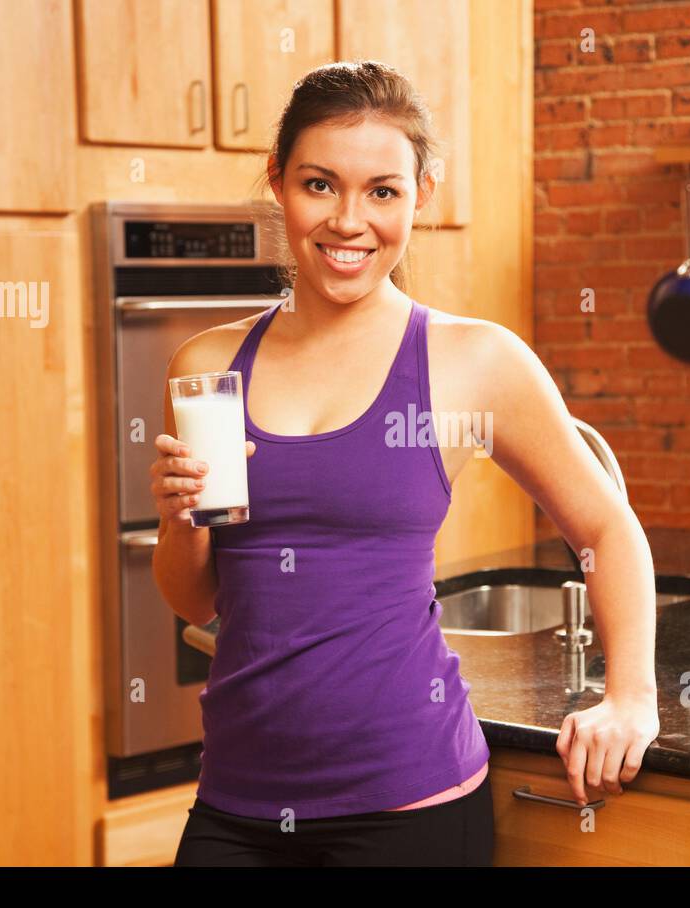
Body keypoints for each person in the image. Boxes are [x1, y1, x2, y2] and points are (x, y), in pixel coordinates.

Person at [151, 60, 659, 866]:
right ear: (279, 182)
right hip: (237, 803)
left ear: (421, 194)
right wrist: (181, 524)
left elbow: (605, 524)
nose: (350, 220)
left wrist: (630, 697)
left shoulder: (474, 362)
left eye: (382, 191)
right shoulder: (208, 365)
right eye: (321, 185)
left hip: (405, 804)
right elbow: (194, 598)